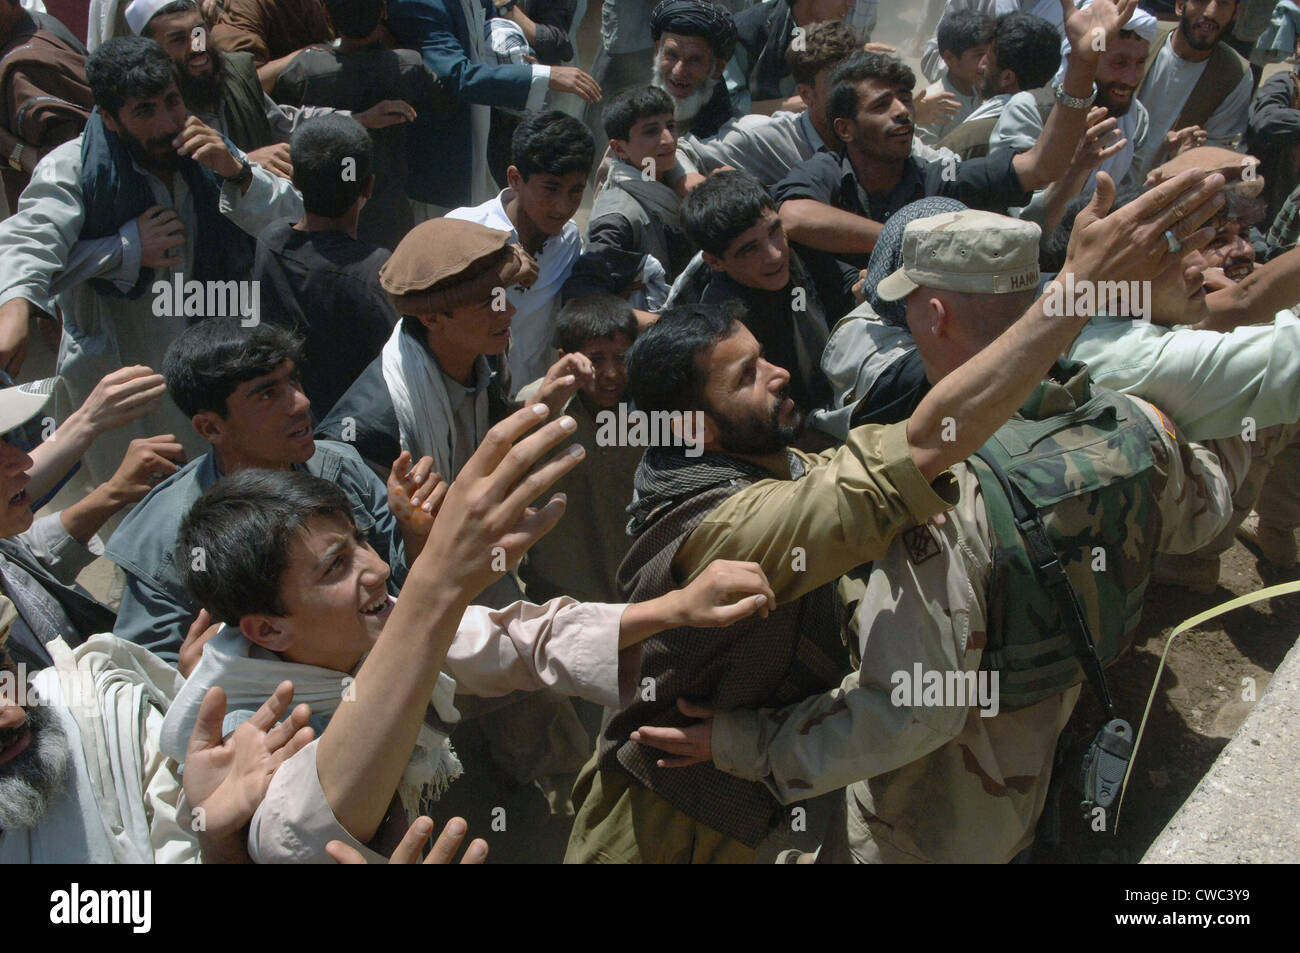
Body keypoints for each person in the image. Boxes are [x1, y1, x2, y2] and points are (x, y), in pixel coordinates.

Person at [562, 165, 1230, 862]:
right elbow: (907, 454)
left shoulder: (849, 482)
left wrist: (749, 743)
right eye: (748, 375)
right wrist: (1088, 298)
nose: (783, 372)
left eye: (763, 358)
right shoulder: (728, 520)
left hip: (875, 809)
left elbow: (912, 711)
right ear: (695, 429)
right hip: (667, 812)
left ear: (931, 314)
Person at [167, 430, 777, 861]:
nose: (376, 568)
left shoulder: (365, 633)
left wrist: (672, 609)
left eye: (359, 541)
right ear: (267, 631)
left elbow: (507, 637)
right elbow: (294, 835)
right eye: (334, 568)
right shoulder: (252, 730)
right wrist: (440, 577)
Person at [0, 35, 303, 484]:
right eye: (145, 110)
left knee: (227, 494)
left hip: (209, 360)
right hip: (127, 378)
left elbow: (292, 219)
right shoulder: (72, 168)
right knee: (141, 507)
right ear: (109, 117)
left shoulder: (204, 147)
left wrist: (238, 174)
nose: (167, 123)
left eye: (172, 101)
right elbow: (30, 242)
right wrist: (122, 251)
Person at [773, 0, 1120, 318]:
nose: (902, 113)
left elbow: (1040, 168)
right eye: (881, 105)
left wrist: (1083, 63)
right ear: (844, 129)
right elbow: (794, 217)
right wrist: (907, 239)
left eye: (905, 100)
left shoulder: (939, 176)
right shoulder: (825, 171)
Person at [105, 320, 418, 665]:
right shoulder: (163, 540)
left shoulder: (342, 467)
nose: (300, 403)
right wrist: (195, 679)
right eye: (268, 394)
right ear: (210, 427)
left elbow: (402, 586)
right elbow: (146, 673)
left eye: (294, 380)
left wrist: (418, 533)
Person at [319, 218, 530, 479]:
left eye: (503, 296)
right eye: (489, 303)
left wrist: (541, 405)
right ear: (432, 318)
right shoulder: (369, 433)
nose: (509, 311)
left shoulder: (489, 356)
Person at [129, 0, 415, 180]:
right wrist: (243, 162)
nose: (198, 47)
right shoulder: (149, 115)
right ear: (152, 51)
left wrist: (358, 119)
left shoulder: (231, 74)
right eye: (179, 39)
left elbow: (284, 120)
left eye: (200, 33)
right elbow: (174, 180)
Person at [386, 0, 600, 217]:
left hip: (481, 154)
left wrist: (519, 59)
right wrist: (545, 76)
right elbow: (458, 77)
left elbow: (493, 33)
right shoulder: (419, 5)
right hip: (439, 171)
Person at [272, 0, 455, 248]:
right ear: (383, 11)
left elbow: (274, 119)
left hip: (318, 219)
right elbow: (442, 104)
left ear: (326, 13)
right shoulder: (410, 67)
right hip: (389, 219)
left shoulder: (303, 72)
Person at [253, 116, 399, 422]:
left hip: (291, 420)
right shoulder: (374, 271)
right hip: (356, 430)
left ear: (293, 179)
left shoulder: (270, 242)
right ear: (369, 186)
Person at [445, 109, 592, 389]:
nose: (563, 206)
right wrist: (497, 275)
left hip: (527, 398)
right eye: (551, 189)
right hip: (465, 395)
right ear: (514, 178)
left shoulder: (570, 240)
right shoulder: (462, 228)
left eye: (575, 191)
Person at [516, 294, 643, 605]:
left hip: (632, 585)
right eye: (596, 360)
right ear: (565, 358)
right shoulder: (539, 404)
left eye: (622, 358)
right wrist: (544, 408)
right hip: (559, 593)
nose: (612, 373)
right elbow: (513, 464)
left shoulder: (649, 407)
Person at [680, 169, 833, 416]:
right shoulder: (725, 326)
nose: (774, 255)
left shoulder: (794, 255)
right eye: (750, 249)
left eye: (774, 231)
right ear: (715, 261)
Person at [674, 19, 861, 186]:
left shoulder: (873, 128)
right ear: (806, 94)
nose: (854, 94)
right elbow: (680, 151)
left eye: (859, 80)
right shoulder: (767, 138)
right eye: (838, 85)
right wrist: (698, 186)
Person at [587, 86, 695, 282]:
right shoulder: (616, 219)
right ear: (619, 148)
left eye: (670, 126)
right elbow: (591, 291)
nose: (669, 140)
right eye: (651, 131)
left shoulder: (651, 171)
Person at [1134, 0, 1252, 177]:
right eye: (1201, 1)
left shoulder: (1235, 73)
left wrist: (1187, 156)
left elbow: (1218, 150)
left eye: (1223, 3)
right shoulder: (1141, 38)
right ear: (1180, 5)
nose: (1211, 13)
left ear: (1235, 13)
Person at [0, 0, 92, 209]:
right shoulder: (35, 23)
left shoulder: (25, 69)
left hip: (71, 224)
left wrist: (8, 146)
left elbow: (63, 169)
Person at [727, 0, 856, 116]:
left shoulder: (835, 34)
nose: (852, 4)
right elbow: (728, 105)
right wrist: (799, 105)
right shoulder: (748, 31)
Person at [647, 0, 741, 139]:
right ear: (657, 52)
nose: (678, 72)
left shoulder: (730, 138)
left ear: (717, 68)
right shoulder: (633, 120)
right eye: (672, 55)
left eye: (695, 60)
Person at [917, 9, 992, 145]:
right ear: (950, 58)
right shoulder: (933, 103)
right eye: (979, 55)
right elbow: (927, 158)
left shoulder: (983, 94)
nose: (986, 62)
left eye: (989, 54)